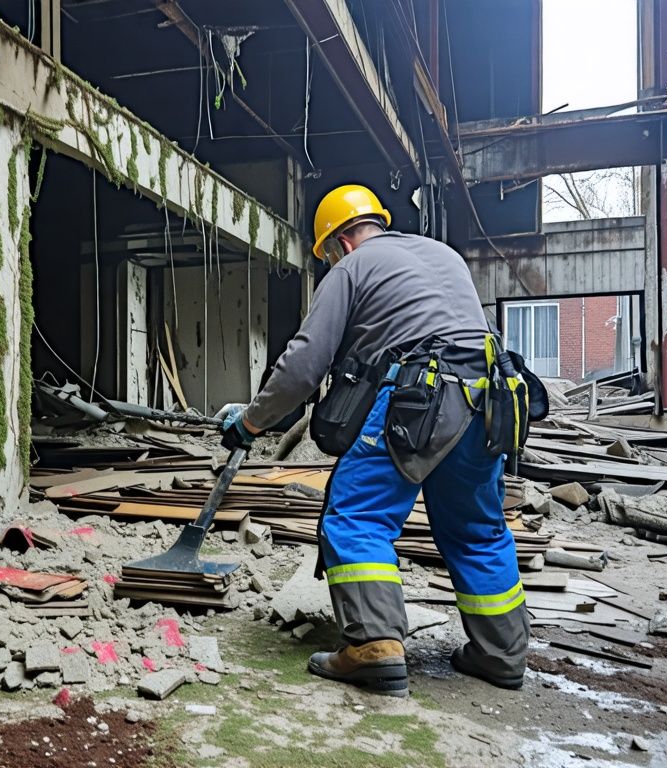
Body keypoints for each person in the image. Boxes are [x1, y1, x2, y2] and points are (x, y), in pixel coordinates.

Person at [217, 184, 529, 697]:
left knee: (358, 516)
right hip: (489, 402)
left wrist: (251, 423)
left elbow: (301, 367)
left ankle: (373, 648)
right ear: (377, 222)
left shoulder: (352, 268)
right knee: (478, 529)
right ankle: (501, 655)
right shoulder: (442, 255)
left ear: (338, 242)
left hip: (419, 399)